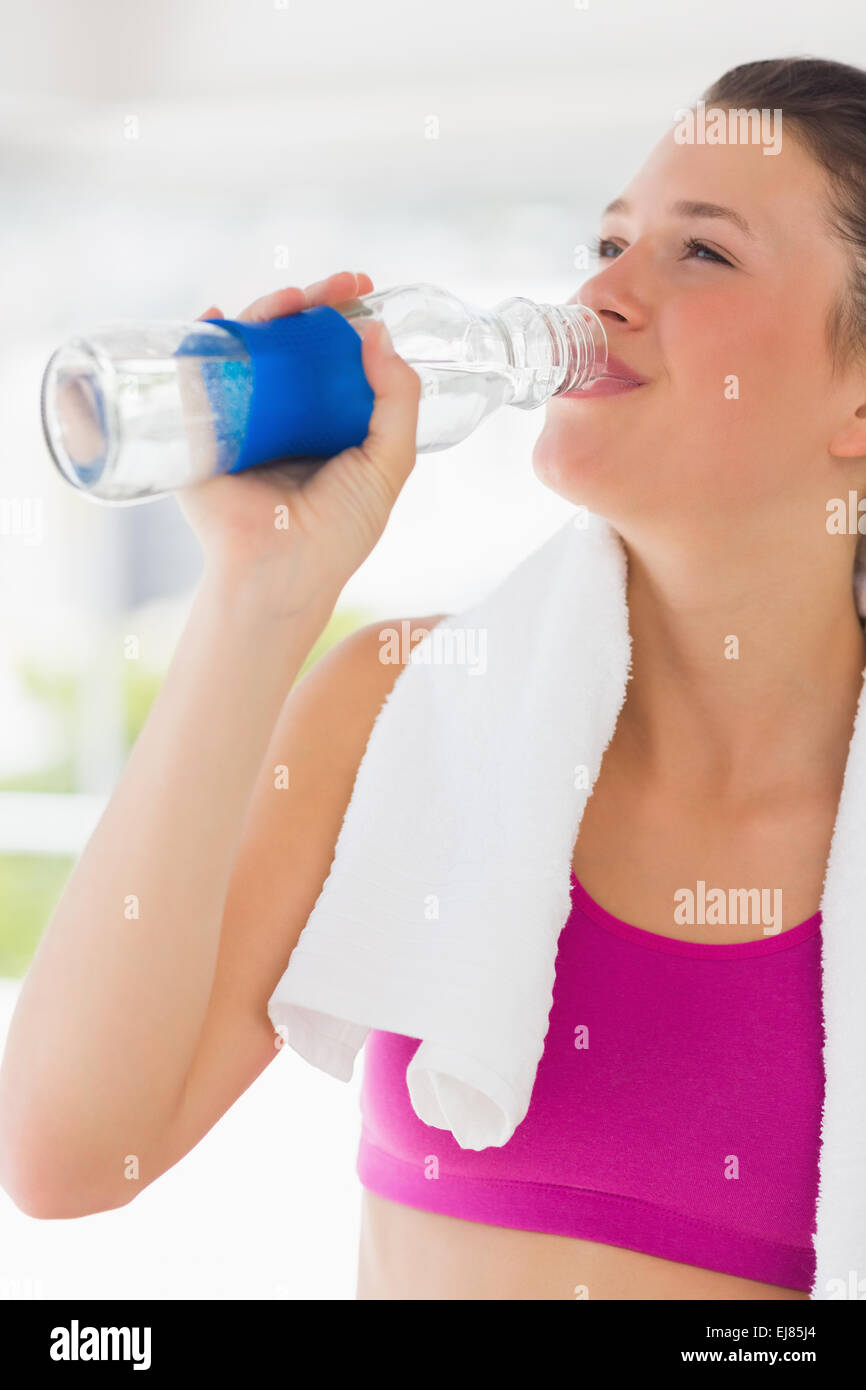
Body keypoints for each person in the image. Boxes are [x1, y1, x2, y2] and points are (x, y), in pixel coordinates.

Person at [3, 53, 866, 1301]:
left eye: (702, 254)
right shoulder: (408, 708)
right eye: (607, 238)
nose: (602, 290)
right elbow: (68, 1152)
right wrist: (260, 593)